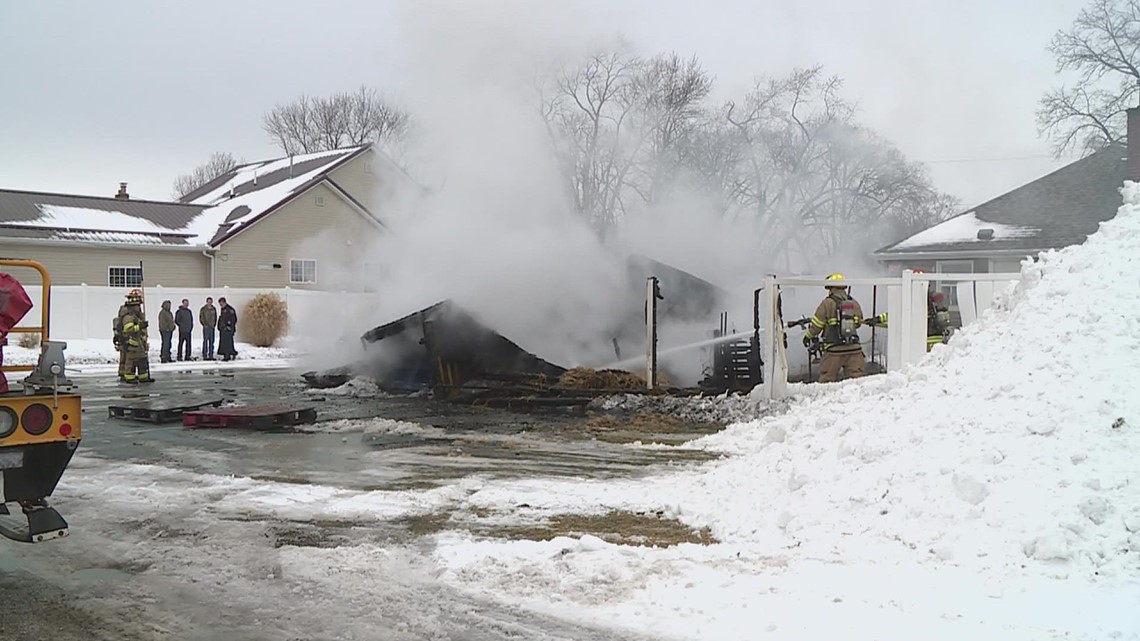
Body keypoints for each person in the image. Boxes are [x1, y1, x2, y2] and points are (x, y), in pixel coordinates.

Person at [803, 273, 882, 383]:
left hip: (834, 350)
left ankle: (825, 400)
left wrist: (808, 336)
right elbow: (858, 323)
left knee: (826, 382)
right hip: (854, 349)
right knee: (857, 383)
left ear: (830, 288)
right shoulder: (853, 303)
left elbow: (817, 325)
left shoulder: (827, 303)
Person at [120, 290, 152, 383]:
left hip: (139, 344)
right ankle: (130, 378)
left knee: (142, 362)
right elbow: (128, 329)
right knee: (131, 363)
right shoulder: (128, 317)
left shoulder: (137, 316)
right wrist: (140, 326)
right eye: (138, 306)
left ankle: (143, 377)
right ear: (133, 306)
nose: (139, 307)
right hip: (132, 345)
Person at [113, 291, 137, 380]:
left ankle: (122, 373)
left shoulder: (124, 314)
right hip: (125, 337)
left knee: (124, 357)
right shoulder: (128, 315)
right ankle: (127, 374)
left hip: (122, 337)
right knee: (127, 357)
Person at [217, 297, 238, 361]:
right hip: (223, 330)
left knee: (227, 343)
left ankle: (227, 355)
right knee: (224, 343)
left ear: (224, 302)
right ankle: (229, 354)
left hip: (228, 330)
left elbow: (233, 319)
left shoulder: (230, 310)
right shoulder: (223, 309)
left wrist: (228, 326)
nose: (221, 305)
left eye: (221, 304)